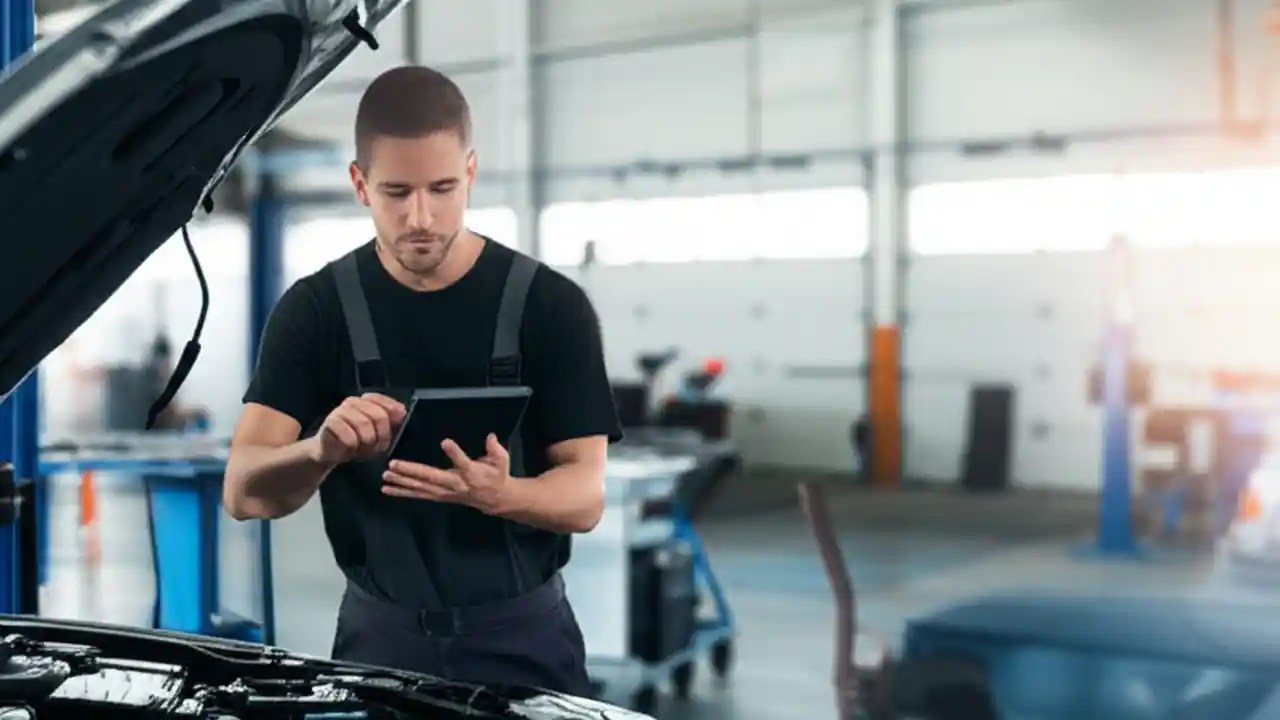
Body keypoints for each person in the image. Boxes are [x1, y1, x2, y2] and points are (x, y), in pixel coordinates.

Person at [222, 65, 622, 697]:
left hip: (522, 638)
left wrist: (497, 493)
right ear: (359, 184)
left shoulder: (549, 306)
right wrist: (318, 451)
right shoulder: (317, 310)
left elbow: (584, 497)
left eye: (441, 188)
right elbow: (245, 493)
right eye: (396, 192)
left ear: (470, 171)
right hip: (378, 640)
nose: (421, 217)